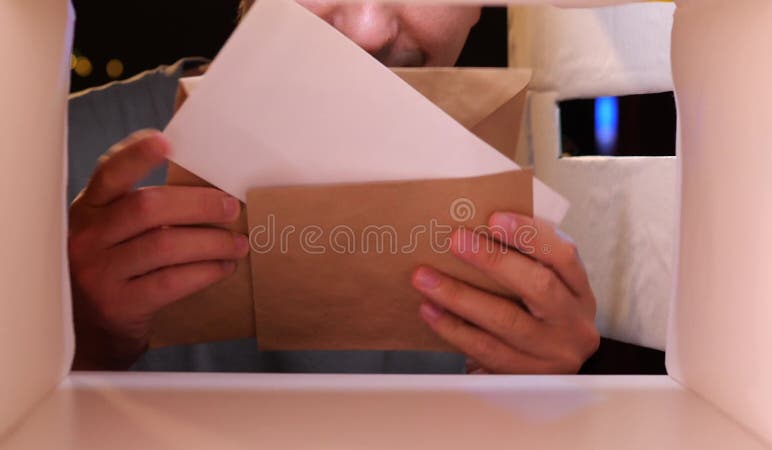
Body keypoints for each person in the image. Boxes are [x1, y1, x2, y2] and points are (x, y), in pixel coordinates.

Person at [68, 1, 600, 374]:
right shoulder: (46, 162)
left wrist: (536, 400)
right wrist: (73, 340)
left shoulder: (535, 224)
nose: (368, 30)